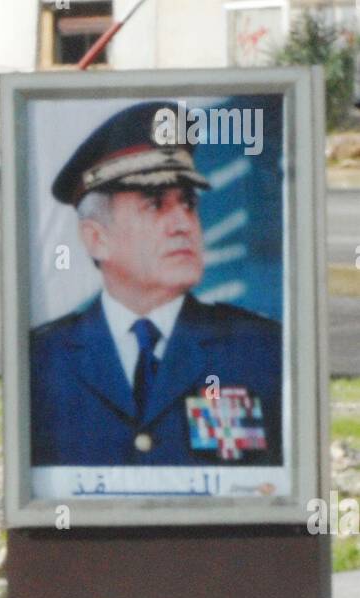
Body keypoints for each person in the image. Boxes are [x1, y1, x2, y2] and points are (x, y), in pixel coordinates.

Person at [30, 100, 282, 471]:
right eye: (155, 205)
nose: (183, 223)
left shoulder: (261, 349)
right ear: (97, 238)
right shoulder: (44, 359)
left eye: (188, 204)